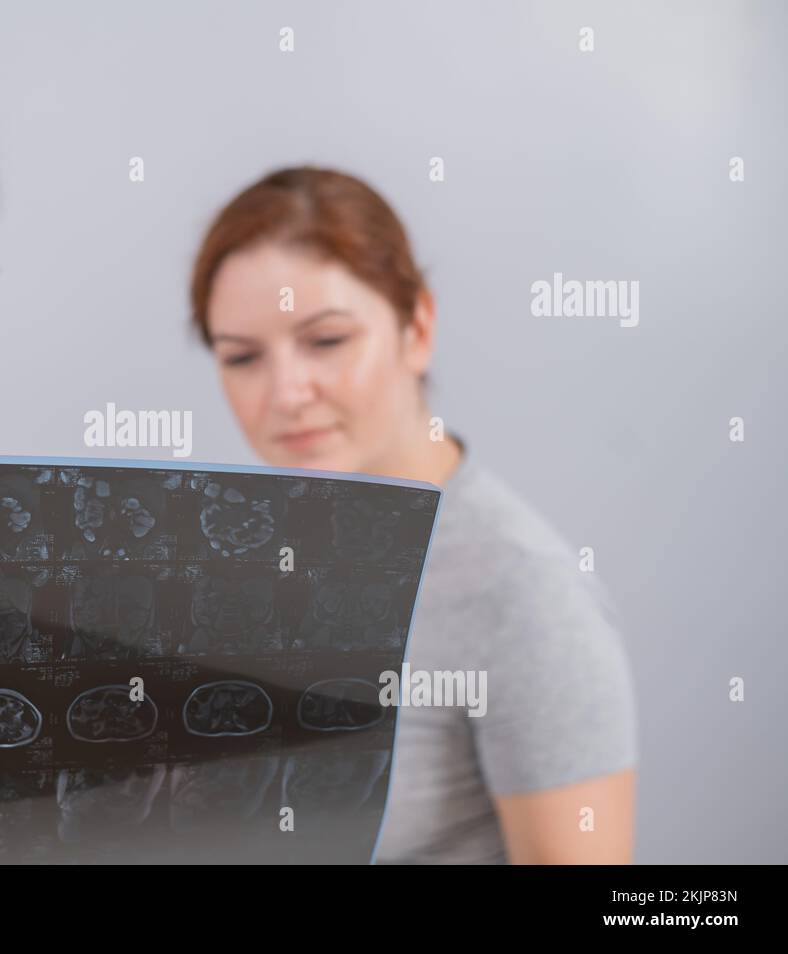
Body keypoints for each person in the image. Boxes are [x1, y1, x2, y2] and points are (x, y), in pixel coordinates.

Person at [189, 166, 638, 863]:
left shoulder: (523, 596)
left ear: (417, 328)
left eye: (327, 341)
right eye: (242, 357)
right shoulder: (231, 559)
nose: (285, 393)